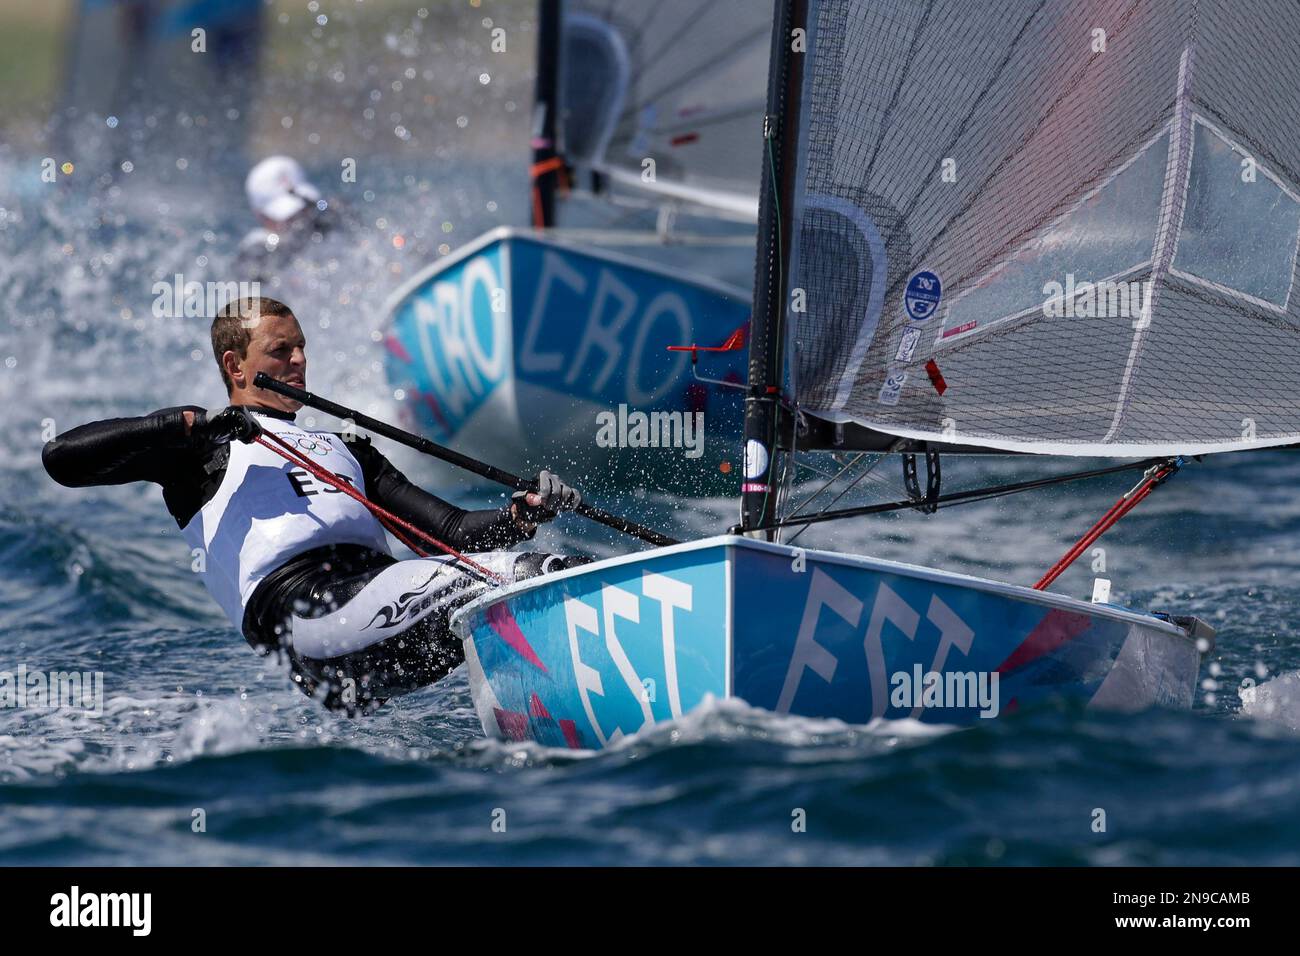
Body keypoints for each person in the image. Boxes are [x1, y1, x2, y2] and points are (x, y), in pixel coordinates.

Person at [42, 296, 585, 714]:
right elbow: (62, 459)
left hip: (385, 625)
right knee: (525, 577)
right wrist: (191, 422)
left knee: (550, 578)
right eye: (281, 351)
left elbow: (452, 531)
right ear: (236, 367)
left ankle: (572, 711)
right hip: (306, 620)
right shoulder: (199, 449)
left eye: (301, 348)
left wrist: (522, 515)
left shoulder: (347, 451)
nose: (299, 360)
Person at [235, 156, 343, 285]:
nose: (299, 217)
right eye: (288, 216)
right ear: (260, 215)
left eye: (304, 208)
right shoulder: (255, 253)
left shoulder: (324, 224)